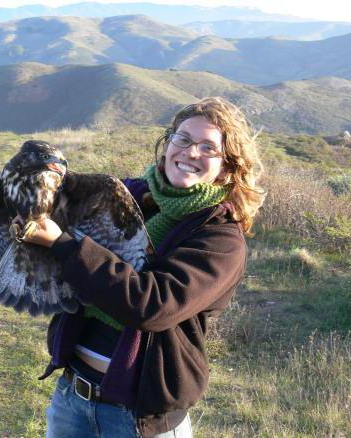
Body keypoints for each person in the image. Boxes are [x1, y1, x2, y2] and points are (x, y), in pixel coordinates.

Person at [23, 97, 265, 437]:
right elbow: (64, 239)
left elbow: (152, 305)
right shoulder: (127, 196)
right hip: (72, 398)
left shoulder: (220, 239)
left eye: (208, 147)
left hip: (138, 420)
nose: (191, 152)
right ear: (167, 145)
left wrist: (64, 244)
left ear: (226, 166)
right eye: (183, 139)